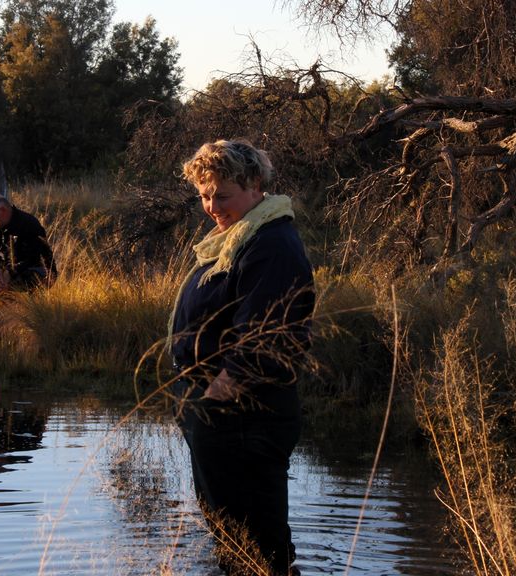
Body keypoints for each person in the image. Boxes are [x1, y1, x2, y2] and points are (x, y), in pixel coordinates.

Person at [168, 139, 315, 576]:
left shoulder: (270, 244)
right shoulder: (236, 237)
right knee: (236, 540)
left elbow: (264, 339)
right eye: (204, 196)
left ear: (254, 185)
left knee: (255, 547)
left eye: (222, 195)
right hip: (221, 414)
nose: (212, 207)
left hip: (243, 415)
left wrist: (210, 404)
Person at [0, 193, 57, 291]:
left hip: (29, 270)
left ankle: (8, 295)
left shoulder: (28, 223)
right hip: (4, 270)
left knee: (25, 279)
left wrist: (10, 273)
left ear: (3, 210)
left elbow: (32, 258)